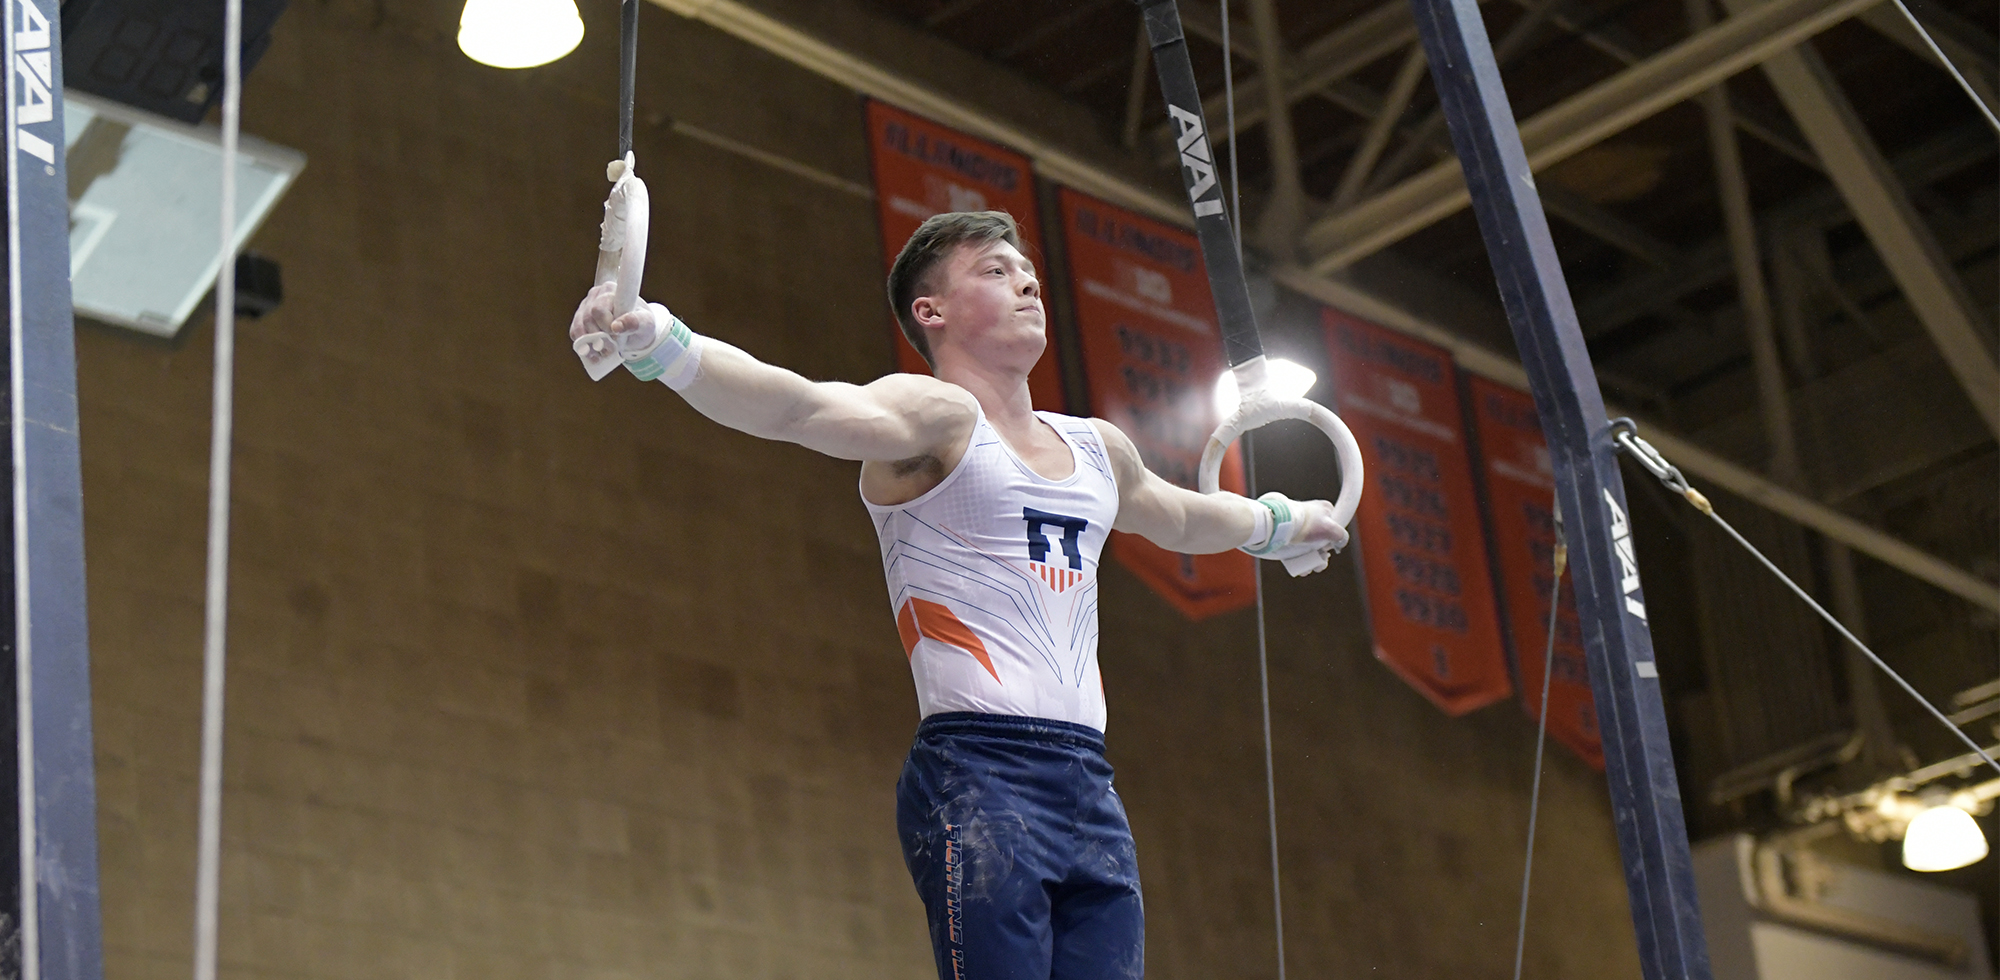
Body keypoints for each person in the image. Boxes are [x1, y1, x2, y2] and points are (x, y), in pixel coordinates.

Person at [568, 210, 1346, 980]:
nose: (1028, 283)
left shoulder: (1097, 448)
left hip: (1090, 787)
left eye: (1028, 272)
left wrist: (1282, 523)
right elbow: (797, 406)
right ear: (930, 311)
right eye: (995, 270)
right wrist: (661, 343)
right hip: (979, 771)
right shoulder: (935, 417)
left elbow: (1179, 515)